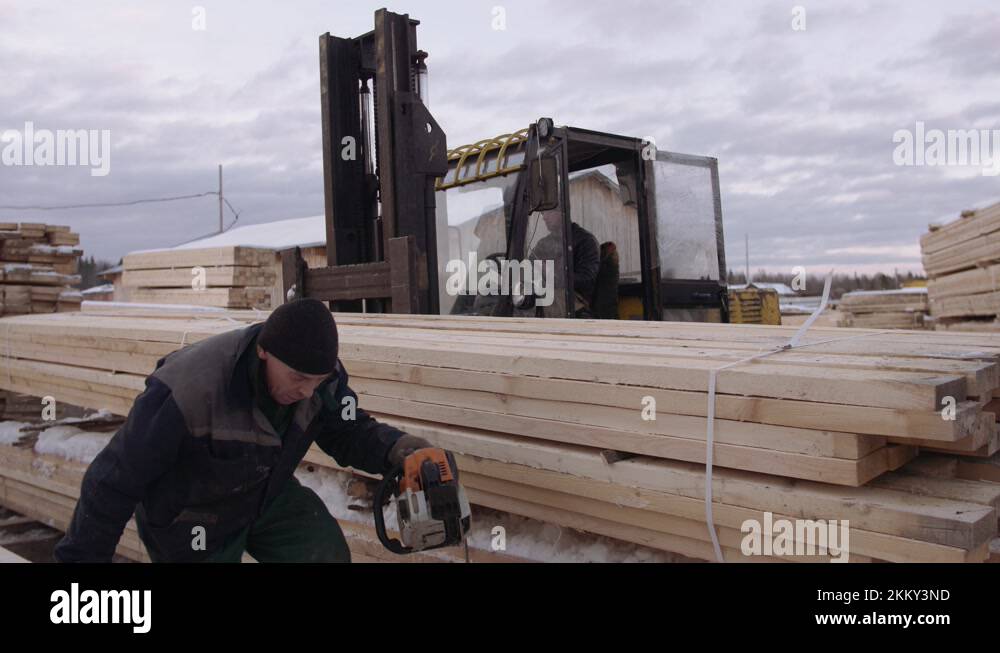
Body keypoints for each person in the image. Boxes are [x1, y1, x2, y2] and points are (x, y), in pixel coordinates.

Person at [54, 299, 433, 563]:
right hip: (191, 511)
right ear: (264, 352)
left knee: (322, 553)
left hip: (262, 492)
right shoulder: (186, 390)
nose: (306, 391)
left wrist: (396, 449)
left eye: (317, 381)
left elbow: (348, 432)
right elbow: (115, 480)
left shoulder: (320, 382)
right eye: (299, 378)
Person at [529, 213, 601, 316]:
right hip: (546, 290)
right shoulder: (544, 243)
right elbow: (528, 267)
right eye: (543, 213)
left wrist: (553, 275)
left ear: (562, 212)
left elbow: (587, 279)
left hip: (575, 299)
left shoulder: (585, 241)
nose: (544, 217)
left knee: (544, 300)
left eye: (549, 212)